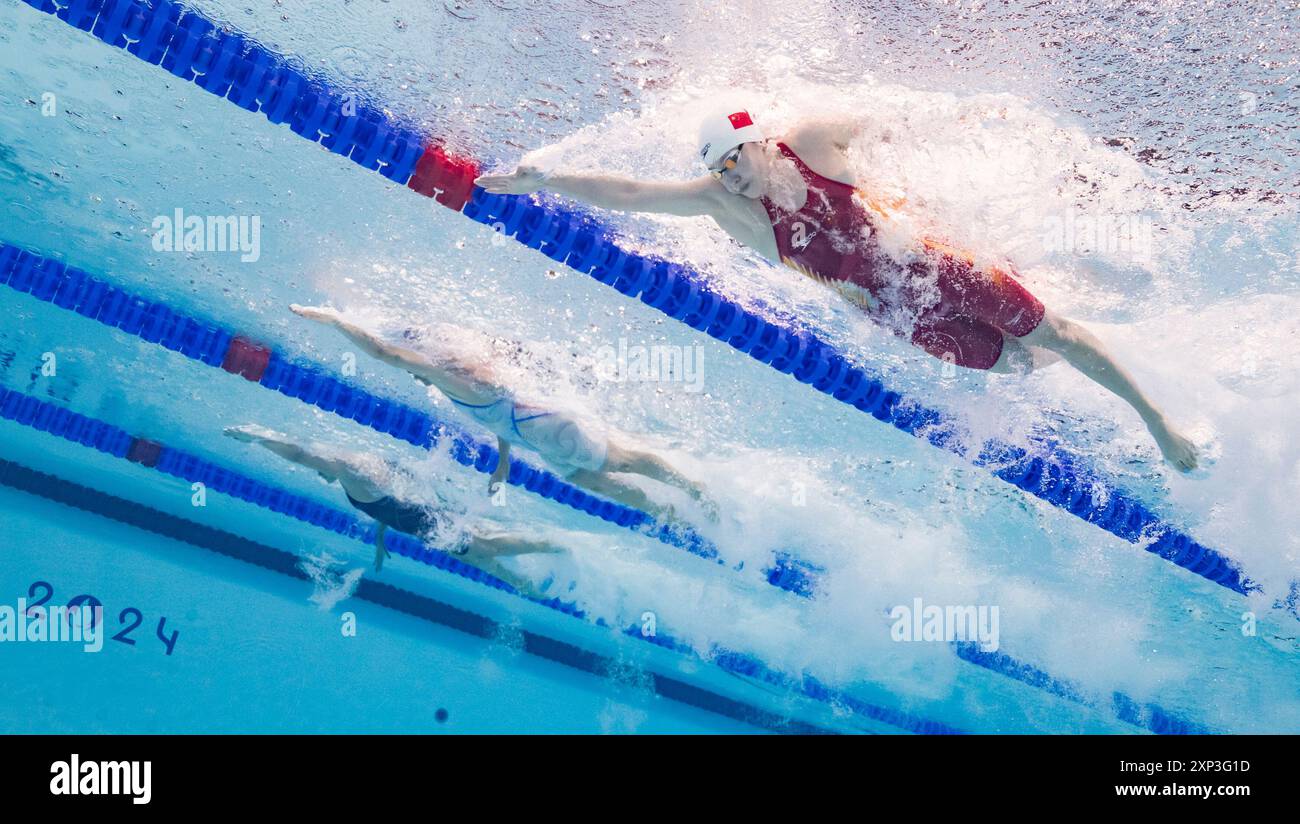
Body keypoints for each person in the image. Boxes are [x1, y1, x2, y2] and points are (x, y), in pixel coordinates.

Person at [473, 107, 1199, 472]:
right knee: (1014, 363)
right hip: (896, 314)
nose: (730, 175)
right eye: (720, 167)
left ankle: (1153, 415)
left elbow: (901, 123)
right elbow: (630, 191)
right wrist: (547, 180)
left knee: (1056, 335)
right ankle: (1077, 328)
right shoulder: (723, 205)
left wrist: (927, 168)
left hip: (937, 268)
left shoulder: (813, 143)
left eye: (734, 158)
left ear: (759, 139)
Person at [288, 304, 715, 519]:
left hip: (549, 430)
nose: (417, 377)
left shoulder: (447, 373)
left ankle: (695, 491)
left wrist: (335, 320)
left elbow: (387, 354)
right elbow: (496, 415)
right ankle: (672, 513)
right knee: (602, 482)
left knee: (626, 461)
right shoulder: (463, 375)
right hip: (535, 436)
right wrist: (503, 462)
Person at [224, 423, 561, 595]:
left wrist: (258, 438)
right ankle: (531, 580)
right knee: (479, 556)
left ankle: (557, 545)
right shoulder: (355, 474)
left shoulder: (346, 468)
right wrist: (381, 535)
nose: (321, 474)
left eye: (321, 470)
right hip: (423, 521)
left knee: (487, 549)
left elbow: (300, 455)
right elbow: (388, 499)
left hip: (427, 523)